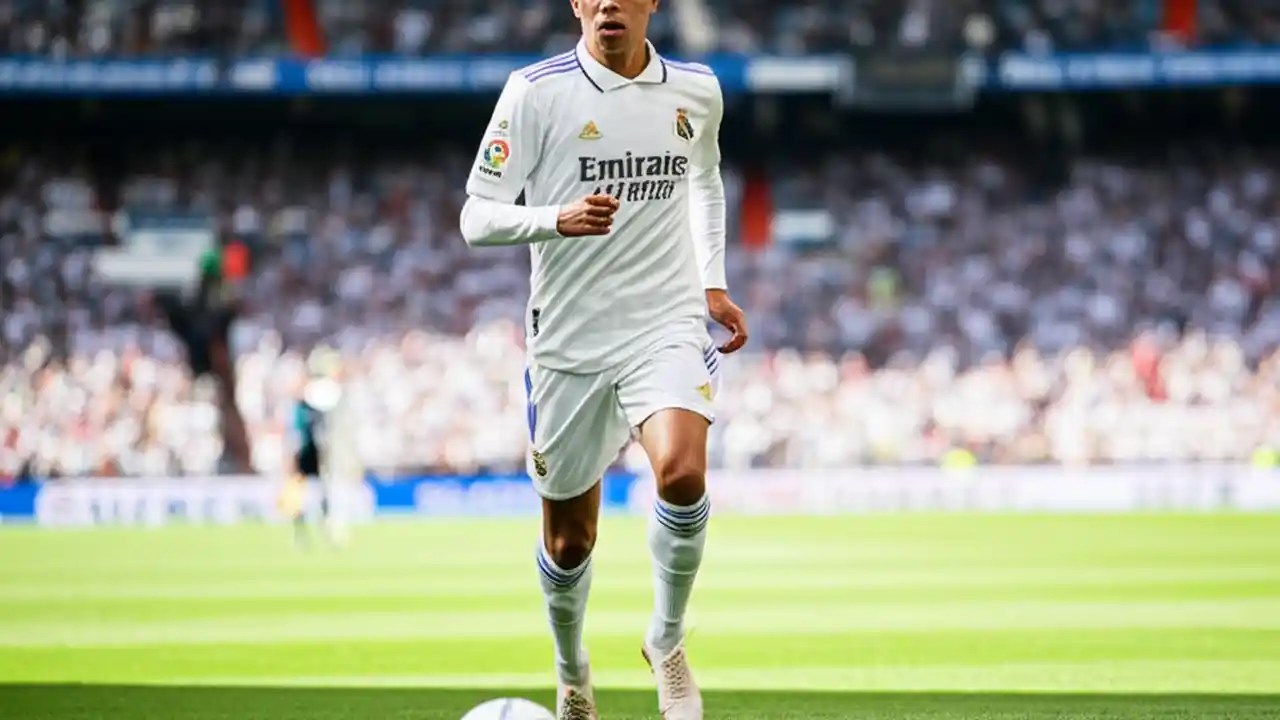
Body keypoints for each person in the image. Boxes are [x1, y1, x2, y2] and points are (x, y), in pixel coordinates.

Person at [458, 1, 748, 718]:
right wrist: (552, 218)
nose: (610, 2)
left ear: (653, 2)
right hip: (569, 341)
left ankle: (668, 641)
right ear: (578, 4)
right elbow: (475, 214)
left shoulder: (696, 89)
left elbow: (704, 180)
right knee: (568, 541)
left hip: (665, 320)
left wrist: (711, 279)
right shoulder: (535, 91)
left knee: (681, 474)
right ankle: (572, 669)